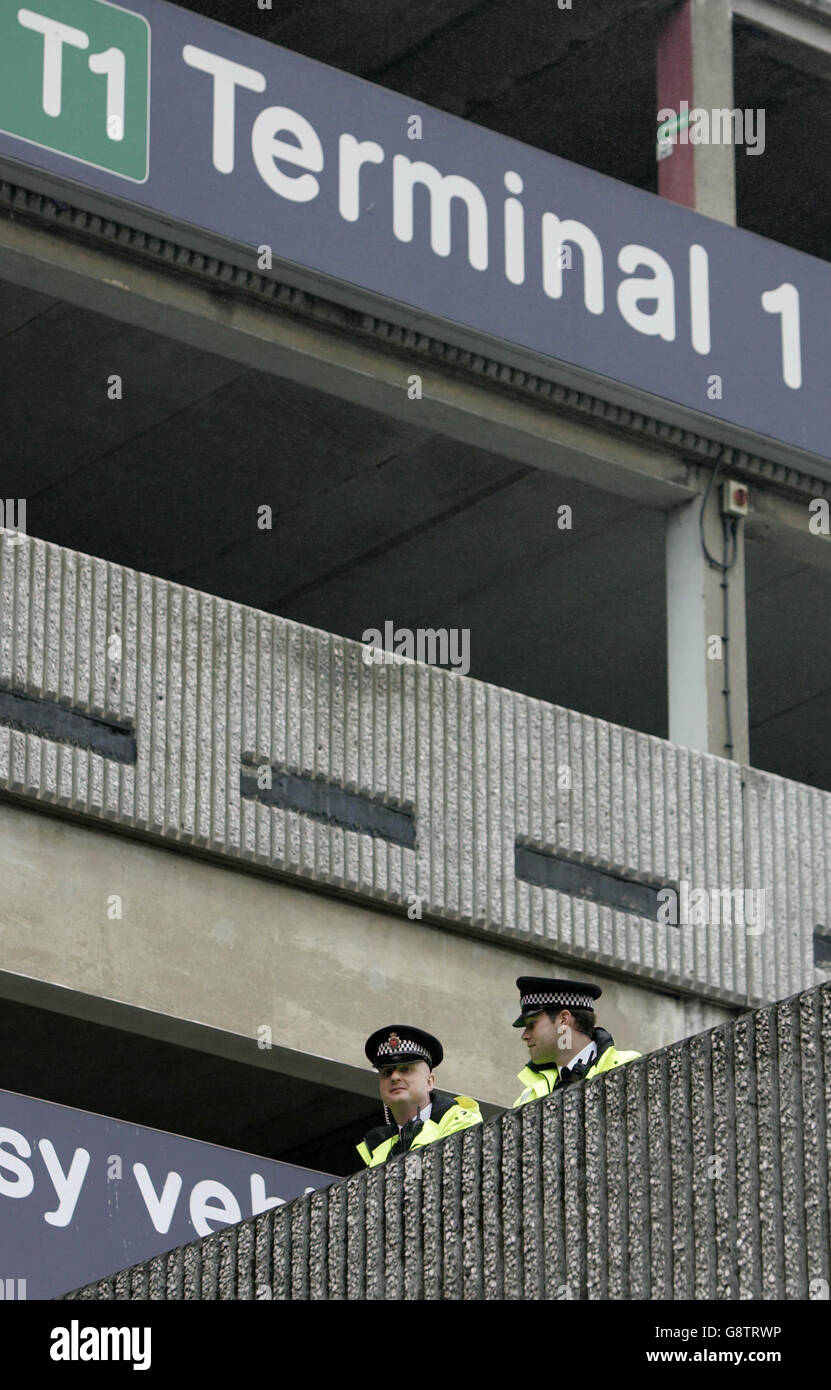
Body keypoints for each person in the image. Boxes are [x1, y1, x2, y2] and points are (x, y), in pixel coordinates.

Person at [356, 1024, 482, 1167]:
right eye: (387, 1072)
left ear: (429, 1082)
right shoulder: (376, 1146)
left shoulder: (461, 1123)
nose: (394, 1077)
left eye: (405, 1069)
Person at [511, 976, 641, 1107]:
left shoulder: (628, 1067)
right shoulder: (528, 1097)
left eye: (532, 1024)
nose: (525, 1035)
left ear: (563, 1020)